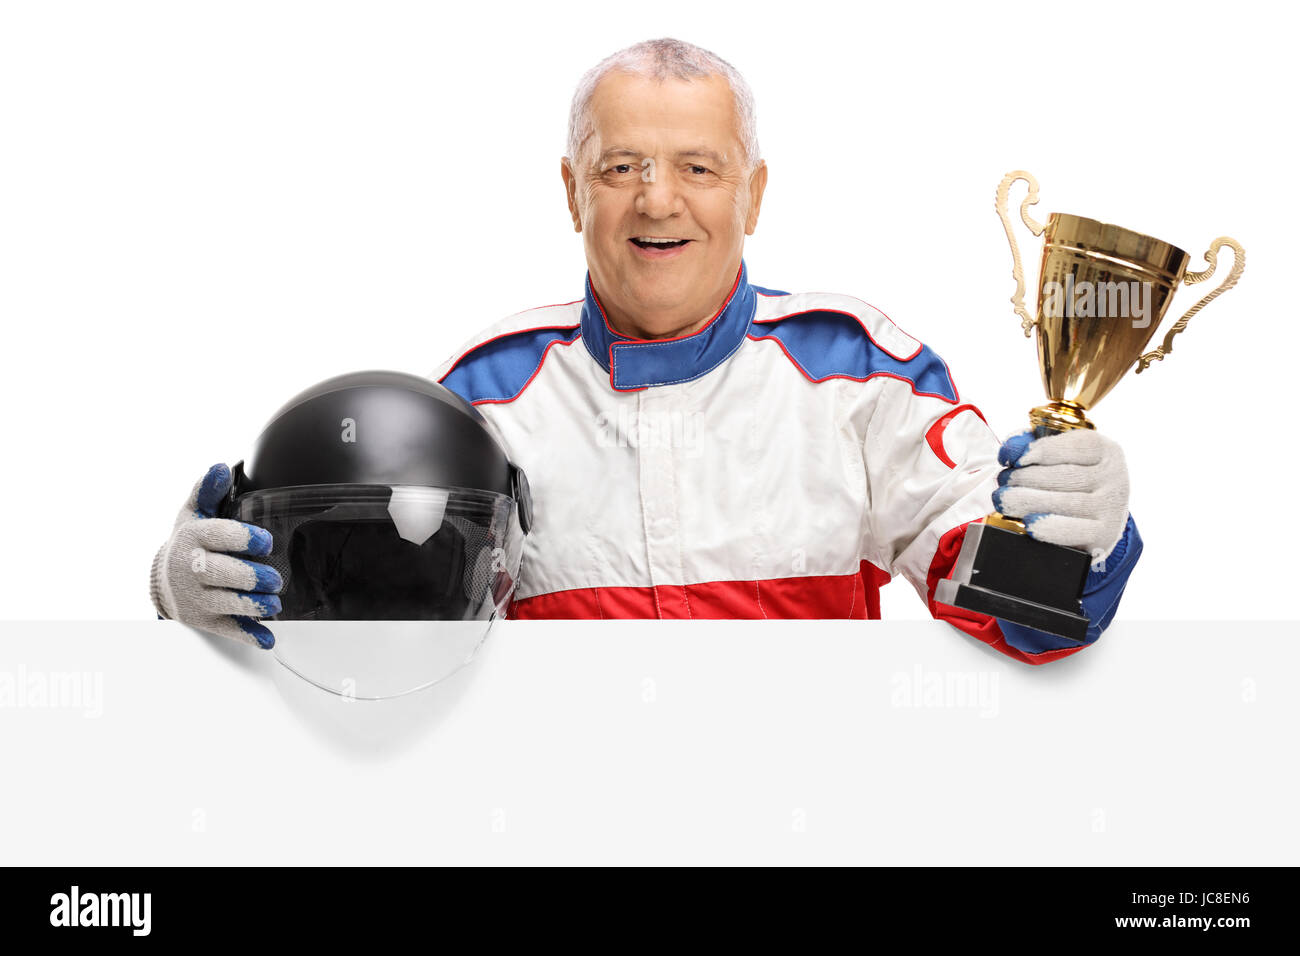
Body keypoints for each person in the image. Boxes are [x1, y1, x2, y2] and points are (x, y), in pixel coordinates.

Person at [151, 38, 1141, 664]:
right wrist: (192, 593)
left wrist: (1077, 538)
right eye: (620, 168)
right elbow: (367, 649)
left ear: (752, 194)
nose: (656, 200)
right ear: (572, 192)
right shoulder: (481, 398)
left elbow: (1021, 618)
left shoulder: (864, 376)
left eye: (696, 169)